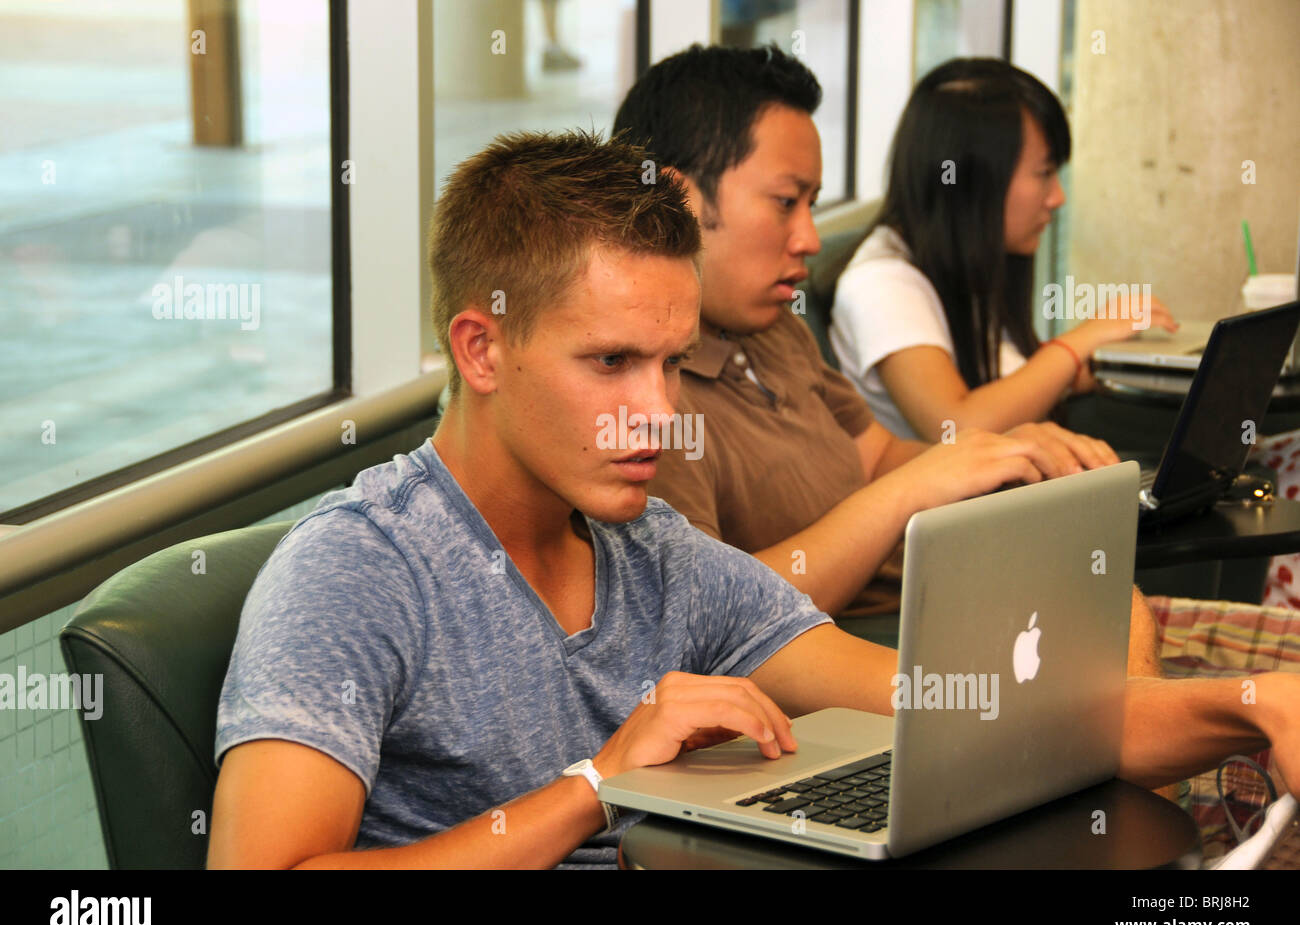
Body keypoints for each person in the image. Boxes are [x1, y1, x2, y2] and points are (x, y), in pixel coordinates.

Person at [207, 130, 1297, 871]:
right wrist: (593, 784)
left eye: (670, 365)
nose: (655, 415)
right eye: (610, 364)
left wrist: (1249, 708)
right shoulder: (356, 571)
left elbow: (960, 704)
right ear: (482, 348)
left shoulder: (654, 553)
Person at [615, 45, 1140, 654]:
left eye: (813, 204)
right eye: (787, 202)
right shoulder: (649, 399)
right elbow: (706, 622)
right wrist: (913, 491)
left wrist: (1005, 457)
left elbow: (875, 454)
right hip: (863, 649)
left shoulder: (774, 328)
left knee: (1119, 603)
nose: (810, 238)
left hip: (938, 603)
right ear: (680, 202)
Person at [830, 57, 1179, 443]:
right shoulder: (881, 283)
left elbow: (1007, 384)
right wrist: (1077, 343)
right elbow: (953, 427)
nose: (1057, 198)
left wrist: (1123, 360)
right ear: (974, 179)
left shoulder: (957, 261)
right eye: (1044, 174)